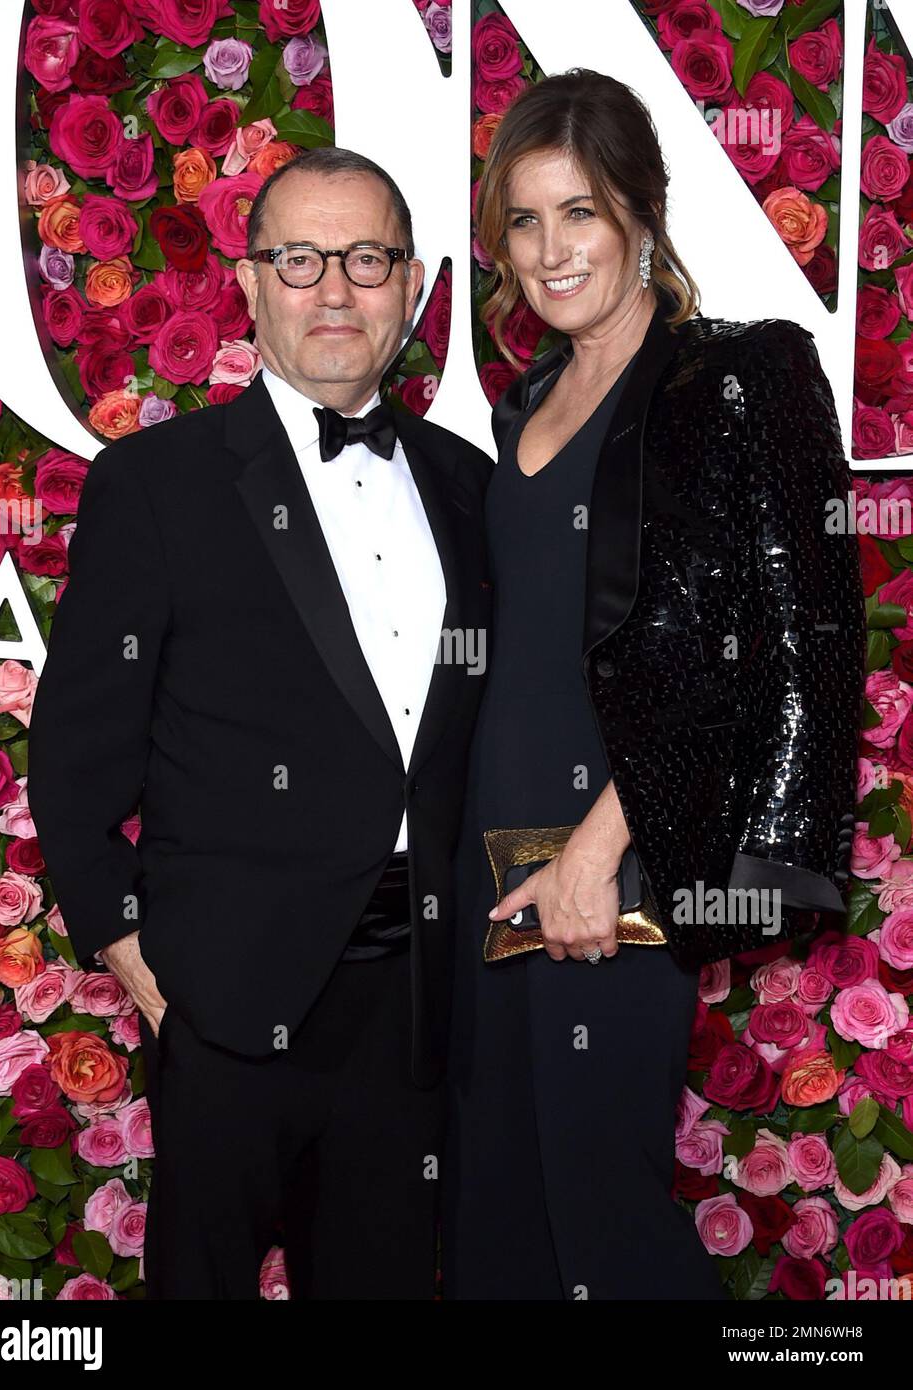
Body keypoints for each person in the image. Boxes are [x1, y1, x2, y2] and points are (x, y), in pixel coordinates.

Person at [27, 146, 494, 1300]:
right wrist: (137, 957)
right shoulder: (156, 484)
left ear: (413, 286)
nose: (335, 290)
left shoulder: (469, 483)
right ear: (248, 285)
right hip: (227, 994)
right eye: (300, 259)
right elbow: (77, 755)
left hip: (419, 1001)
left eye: (367, 259)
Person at [442, 69, 866, 1301]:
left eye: (577, 211)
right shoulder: (522, 401)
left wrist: (595, 850)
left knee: (600, 1206)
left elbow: (793, 638)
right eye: (522, 221)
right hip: (489, 858)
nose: (549, 249)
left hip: (609, 856)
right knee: (497, 1211)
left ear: (641, 208)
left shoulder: (732, 379)